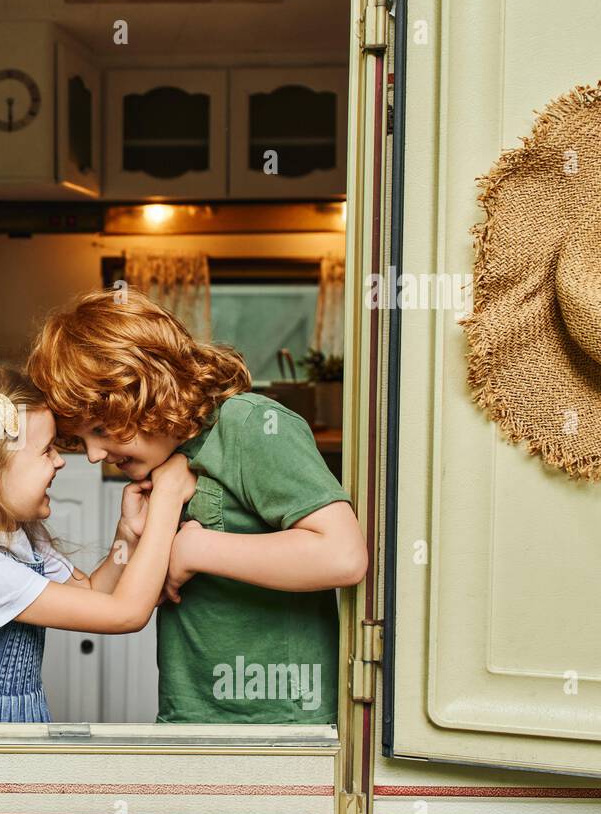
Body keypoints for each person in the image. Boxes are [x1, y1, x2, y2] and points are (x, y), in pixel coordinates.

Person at [26, 288, 368, 724]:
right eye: (82, 438)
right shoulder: (159, 465)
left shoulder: (249, 426)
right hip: (185, 717)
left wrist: (196, 550)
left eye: (100, 429)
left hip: (280, 726)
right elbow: (110, 603)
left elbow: (344, 557)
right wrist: (126, 539)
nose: (94, 455)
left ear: (147, 389)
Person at [0, 364, 195, 731]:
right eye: (46, 450)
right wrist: (168, 497)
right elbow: (125, 613)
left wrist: (127, 536)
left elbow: (91, 591)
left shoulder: (21, 537)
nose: (59, 461)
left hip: (19, 736)